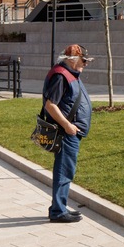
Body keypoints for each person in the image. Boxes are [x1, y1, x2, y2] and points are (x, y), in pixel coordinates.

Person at [43, 44, 94, 224]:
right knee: (64, 171)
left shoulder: (69, 73)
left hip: (70, 132)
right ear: (72, 60)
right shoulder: (61, 75)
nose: (86, 64)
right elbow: (50, 105)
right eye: (83, 60)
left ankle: (60, 207)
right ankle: (58, 211)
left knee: (65, 170)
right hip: (67, 133)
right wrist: (68, 126)